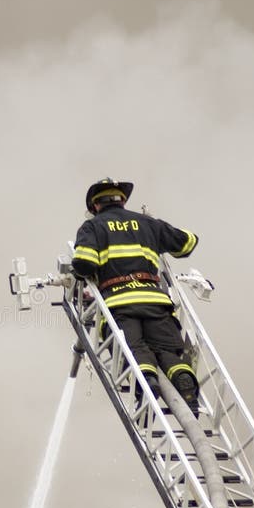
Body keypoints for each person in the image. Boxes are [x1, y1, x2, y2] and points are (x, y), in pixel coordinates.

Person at [71, 177, 200, 415]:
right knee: (167, 351)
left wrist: (77, 274)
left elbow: (84, 263)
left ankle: (147, 383)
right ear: (122, 200)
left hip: (119, 302)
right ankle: (184, 380)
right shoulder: (147, 223)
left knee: (133, 349)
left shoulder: (92, 227)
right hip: (155, 300)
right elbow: (188, 243)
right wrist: (155, 228)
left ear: (95, 206)